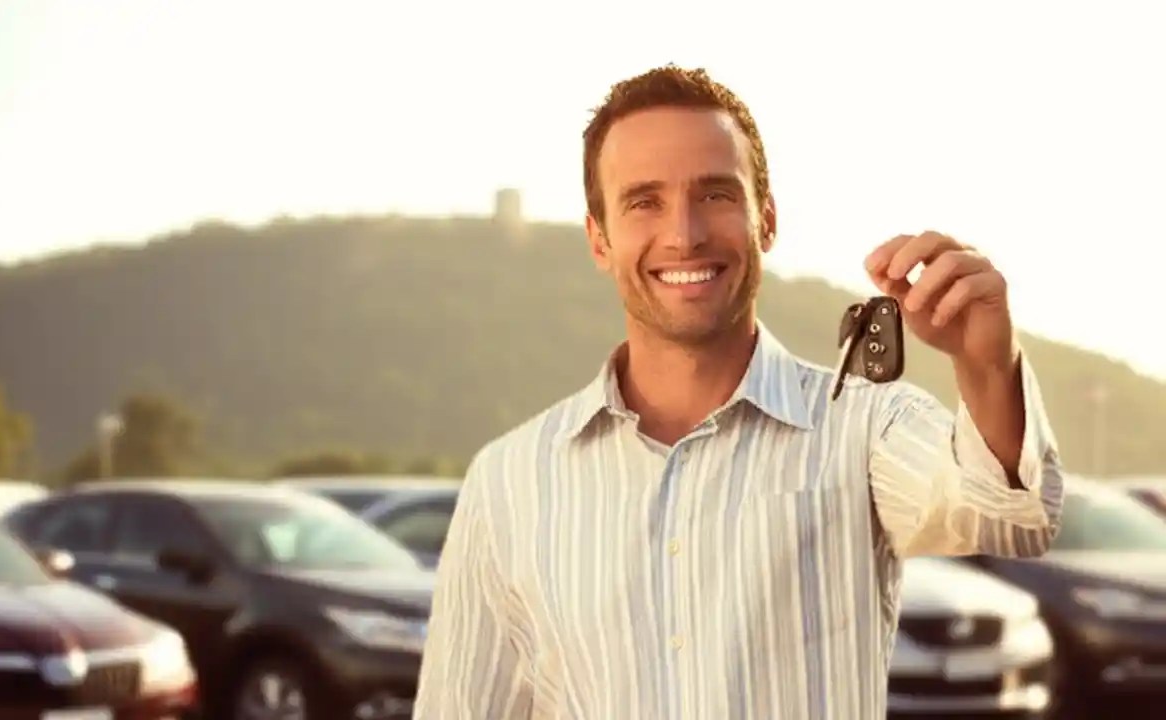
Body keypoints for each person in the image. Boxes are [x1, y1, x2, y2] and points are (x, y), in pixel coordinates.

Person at [413, 65, 1065, 720]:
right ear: (599, 239)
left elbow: (1012, 515)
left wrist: (985, 362)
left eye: (716, 195)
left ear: (768, 220)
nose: (685, 233)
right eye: (645, 201)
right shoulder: (507, 481)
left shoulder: (863, 428)